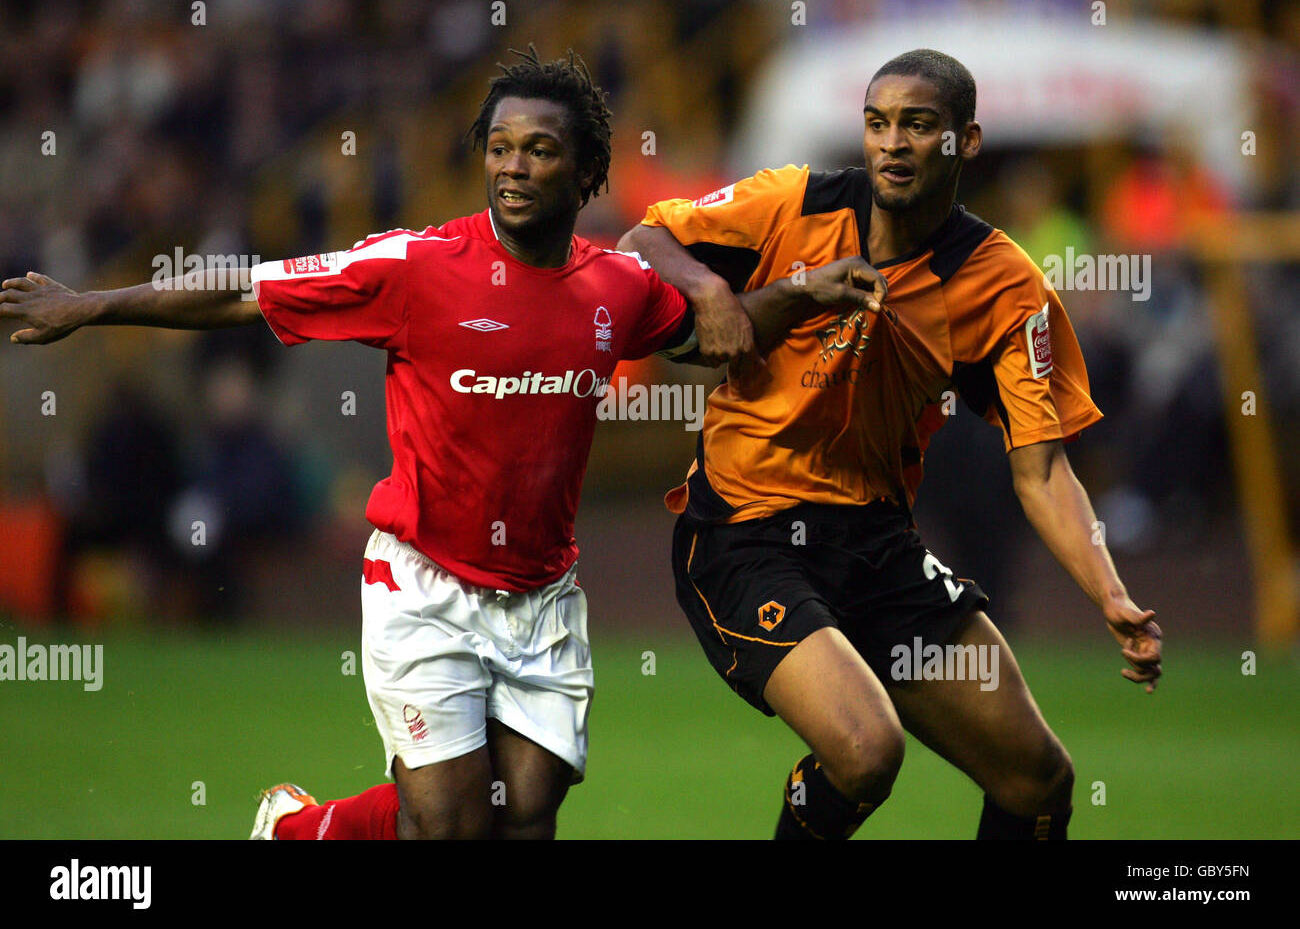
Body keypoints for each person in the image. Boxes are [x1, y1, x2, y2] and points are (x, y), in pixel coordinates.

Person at [2, 48, 880, 840]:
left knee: (526, 812)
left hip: (541, 595)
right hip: (425, 584)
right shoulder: (418, 268)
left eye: (539, 149)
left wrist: (805, 291)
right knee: (456, 825)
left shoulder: (617, 284)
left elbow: (710, 336)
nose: (513, 165)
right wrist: (88, 305)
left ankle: (306, 831)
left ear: (585, 173)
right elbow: (242, 293)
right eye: (500, 146)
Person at [618, 48, 1163, 840]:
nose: (893, 144)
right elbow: (643, 238)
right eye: (878, 124)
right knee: (868, 749)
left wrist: (1110, 592)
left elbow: (1042, 468)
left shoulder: (1004, 284)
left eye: (918, 125)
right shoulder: (791, 201)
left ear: (965, 142)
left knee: (1037, 779)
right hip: (747, 532)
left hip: (877, 543)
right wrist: (708, 289)